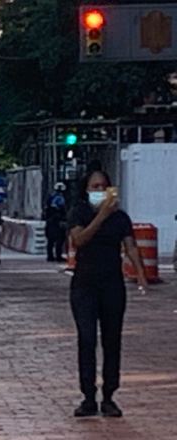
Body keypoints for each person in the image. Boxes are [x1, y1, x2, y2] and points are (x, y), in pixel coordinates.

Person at [67, 170, 149, 418]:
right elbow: (79, 240)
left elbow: (130, 247)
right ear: (86, 190)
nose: (99, 190)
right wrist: (100, 216)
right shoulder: (79, 212)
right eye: (94, 186)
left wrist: (141, 276)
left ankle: (110, 395)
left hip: (112, 283)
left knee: (112, 340)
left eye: (103, 186)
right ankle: (88, 396)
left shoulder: (121, 218)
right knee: (88, 338)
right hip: (84, 284)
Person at [45, 182, 68, 263]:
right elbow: (62, 208)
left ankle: (50, 256)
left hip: (50, 221)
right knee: (59, 239)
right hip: (57, 221)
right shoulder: (60, 198)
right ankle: (58, 256)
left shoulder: (50, 197)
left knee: (50, 240)